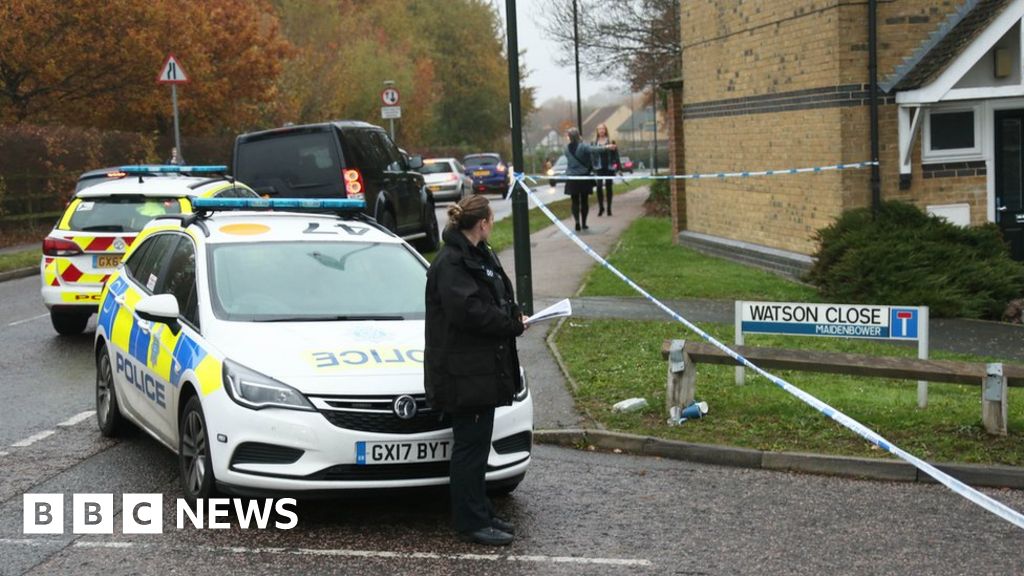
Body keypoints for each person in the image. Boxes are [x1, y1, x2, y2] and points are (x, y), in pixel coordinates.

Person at [424, 195, 529, 547]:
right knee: (469, 450)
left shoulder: (479, 254)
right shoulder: (452, 263)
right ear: (482, 223)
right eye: (492, 219)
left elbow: (495, 295)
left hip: (480, 371)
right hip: (462, 374)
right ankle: (470, 522)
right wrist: (508, 324)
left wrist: (512, 313)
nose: (493, 224)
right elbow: (469, 312)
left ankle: (481, 510)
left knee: (478, 446)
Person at [563, 127, 615, 231]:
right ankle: (584, 223)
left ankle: (577, 222)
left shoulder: (566, 148)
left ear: (569, 137)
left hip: (572, 178)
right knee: (584, 201)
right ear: (578, 136)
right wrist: (607, 147)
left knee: (574, 201)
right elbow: (595, 149)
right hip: (583, 177)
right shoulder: (583, 146)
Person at [591, 123, 620, 217]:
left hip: (609, 167)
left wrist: (618, 167)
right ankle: (601, 207)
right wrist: (591, 167)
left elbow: (616, 155)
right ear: (597, 131)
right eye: (599, 129)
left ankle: (609, 208)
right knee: (599, 187)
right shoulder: (594, 143)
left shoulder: (611, 141)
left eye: (603, 129)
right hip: (599, 167)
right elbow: (592, 153)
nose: (601, 131)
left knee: (609, 187)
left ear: (605, 130)